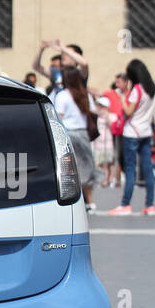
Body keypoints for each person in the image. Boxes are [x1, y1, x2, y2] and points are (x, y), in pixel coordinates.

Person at [109, 59, 155, 215]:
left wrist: (123, 98)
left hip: (132, 132)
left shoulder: (137, 89)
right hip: (146, 132)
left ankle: (125, 204)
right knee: (147, 168)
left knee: (130, 169)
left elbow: (129, 111)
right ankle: (150, 205)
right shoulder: (154, 89)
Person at [54, 67, 101, 211]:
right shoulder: (83, 94)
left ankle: (74, 201)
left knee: (69, 168)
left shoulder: (62, 96)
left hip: (68, 133)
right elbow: (93, 111)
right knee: (87, 166)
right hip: (82, 133)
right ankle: (90, 201)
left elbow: (58, 117)